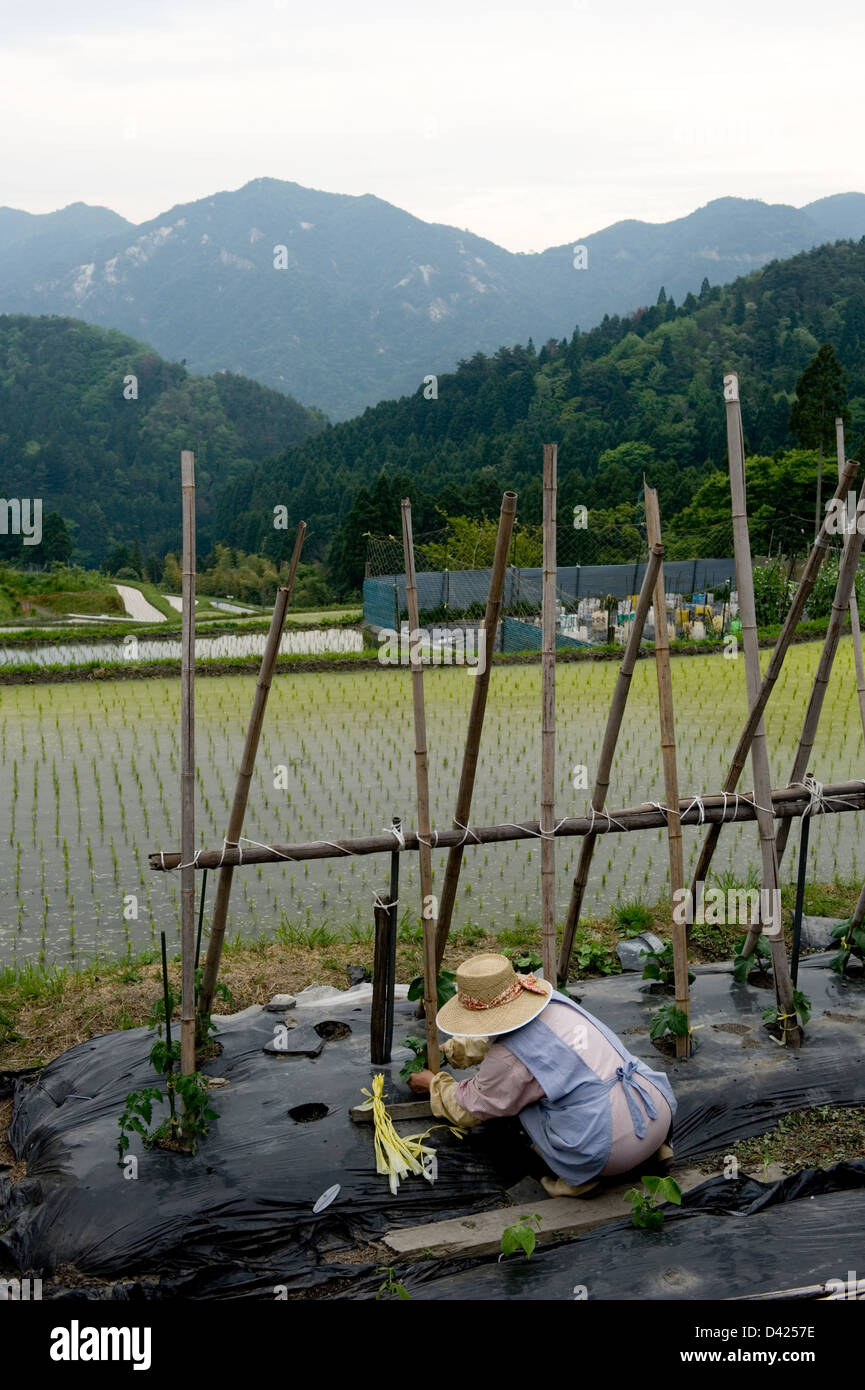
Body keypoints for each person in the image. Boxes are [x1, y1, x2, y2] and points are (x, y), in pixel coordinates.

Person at [408, 951, 676, 1197]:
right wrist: (453, 1050)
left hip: (606, 1147)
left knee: (520, 1105)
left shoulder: (506, 1061)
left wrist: (434, 1083)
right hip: (657, 1110)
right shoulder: (554, 1003)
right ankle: (656, 1151)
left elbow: (470, 1107)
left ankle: (579, 1181)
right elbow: (508, 1037)